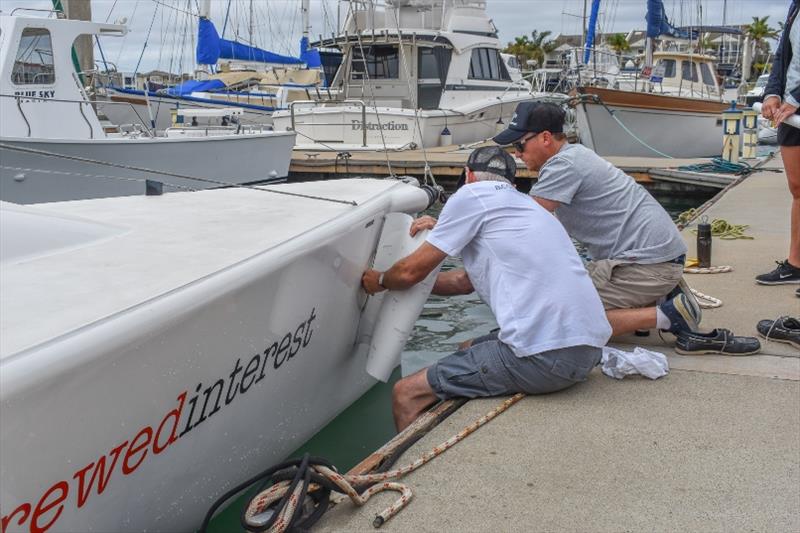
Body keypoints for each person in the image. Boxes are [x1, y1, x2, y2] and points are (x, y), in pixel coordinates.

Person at [361, 146, 611, 431]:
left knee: (406, 393)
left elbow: (408, 272)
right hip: (588, 352)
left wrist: (380, 281)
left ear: (468, 175)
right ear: (512, 183)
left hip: (544, 359)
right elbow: (462, 282)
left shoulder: (470, 195)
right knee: (467, 347)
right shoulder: (531, 207)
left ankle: (422, 461)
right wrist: (443, 229)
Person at [489, 101, 700, 338]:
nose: (517, 154)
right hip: (654, 258)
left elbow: (523, 223)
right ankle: (648, 302)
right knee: (560, 288)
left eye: (519, 145)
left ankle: (668, 315)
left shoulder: (563, 165)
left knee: (555, 321)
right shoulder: (576, 155)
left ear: (545, 138)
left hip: (649, 267)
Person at [759, 0, 800, 297]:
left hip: (795, 102)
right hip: (790, 107)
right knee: (798, 188)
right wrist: (772, 92)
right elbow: (782, 53)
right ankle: (796, 264)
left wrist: (796, 97)